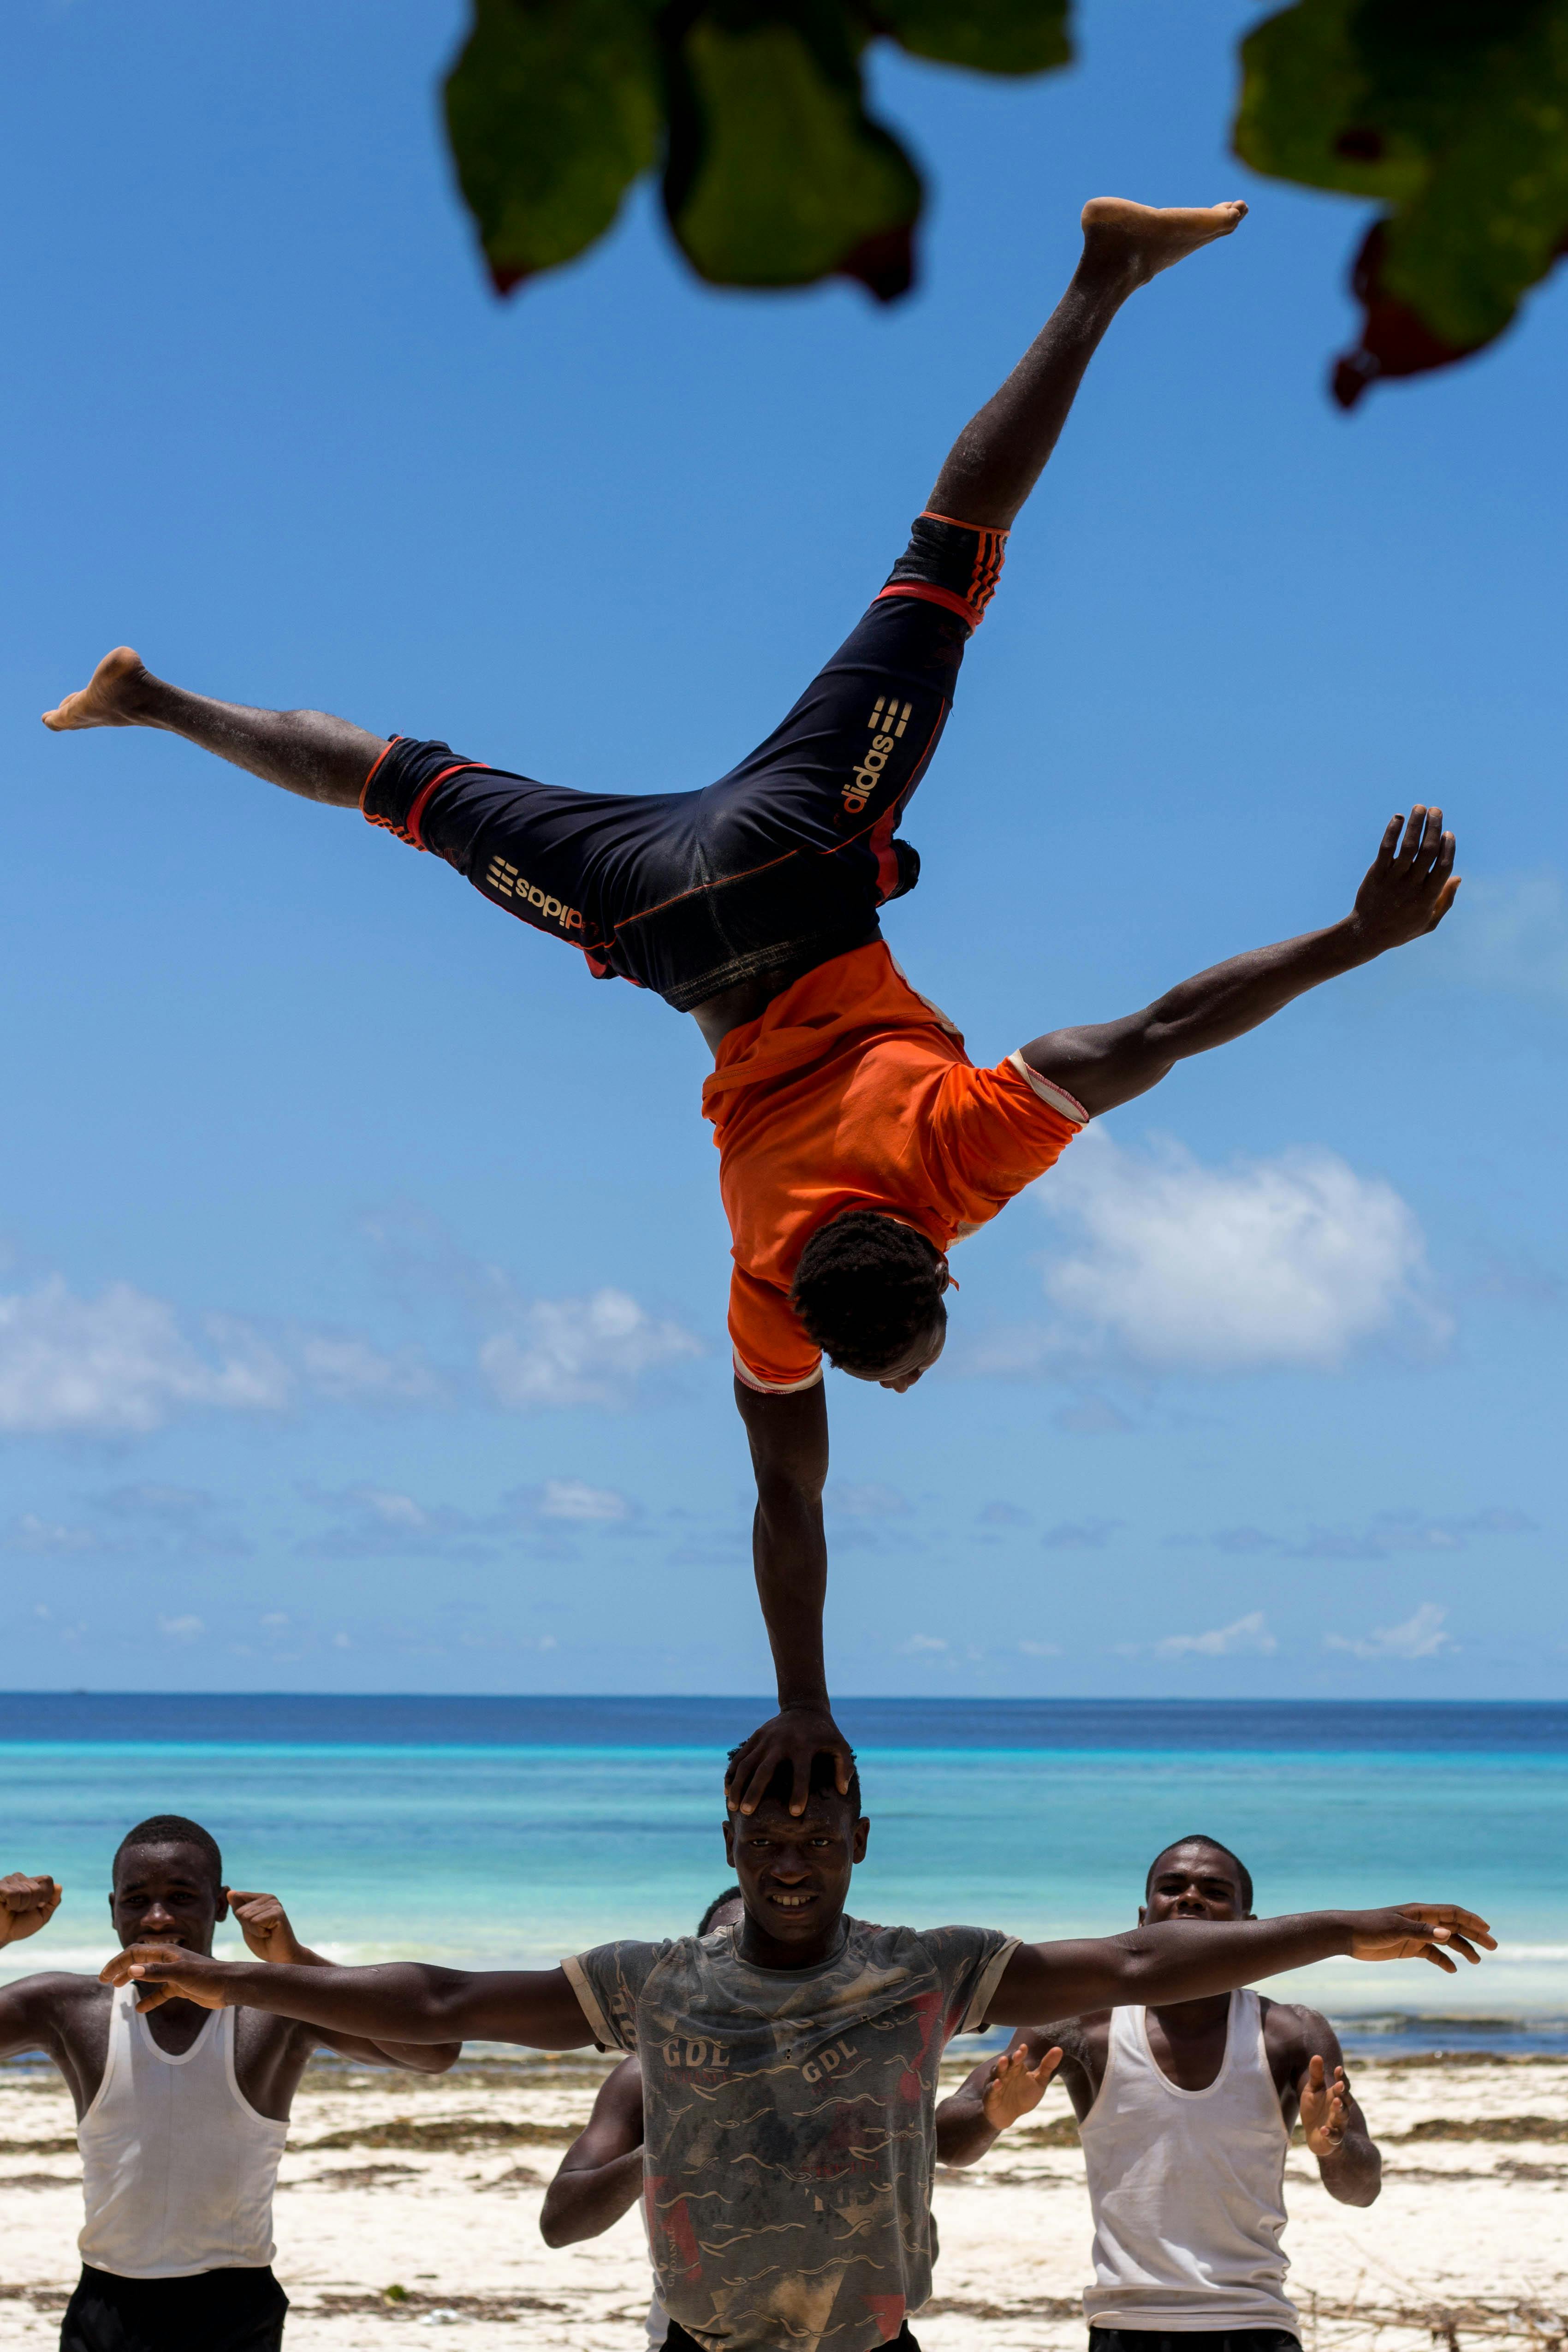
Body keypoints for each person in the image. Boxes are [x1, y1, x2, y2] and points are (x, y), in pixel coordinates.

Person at [42, 199, 1462, 1814]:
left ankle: (1102, 274)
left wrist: (1361, 936)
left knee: (948, 566)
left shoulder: (961, 1164)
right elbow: (784, 1508)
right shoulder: (765, 1290)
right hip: (652, 914)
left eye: (915, 1349)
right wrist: (802, 1701)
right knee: (399, 791)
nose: (916, 1366)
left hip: (787, 860)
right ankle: (152, 701)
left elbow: (1153, 1035)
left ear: (926, 1261)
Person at [99, 1749, 1491, 2352]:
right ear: (728, 1843)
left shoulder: (920, 1971)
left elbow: (1134, 1959)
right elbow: (449, 1993)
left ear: (857, 1843)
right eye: (763, 1835)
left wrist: (1333, 1926)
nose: (788, 1855)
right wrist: (227, 1977)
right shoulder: (654, 1985)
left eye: (815, 1833)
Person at [0, 1815, 459, 2352]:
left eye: (181, 1896)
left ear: (219, 1906)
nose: (157, 1917)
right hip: (106, 2301)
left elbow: (432, 2052)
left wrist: (296, 1964)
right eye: (136, 1900)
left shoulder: (274, 2007)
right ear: (112, 1910)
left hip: (234, 2306)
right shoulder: (69, 2008)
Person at [936, 1834, 1384, 2352]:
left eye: (1214, 1891)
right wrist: (992, 2115)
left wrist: (1329, 2143)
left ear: (1253, 1931)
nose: (1189, 1898)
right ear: (1143, 1918)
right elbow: (948, 2144)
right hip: (1125, 2323)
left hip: (1256, 2323)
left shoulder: (1292, 2034)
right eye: (1171, 1887)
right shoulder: (1079, 2024)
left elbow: (1362, 2188)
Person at [540, 1885, 745, 2346]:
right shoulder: (647, 2077)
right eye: (722, 1953)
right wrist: (666, 2150)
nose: (746, 1971)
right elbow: (561, 2223)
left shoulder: (859, 2064)